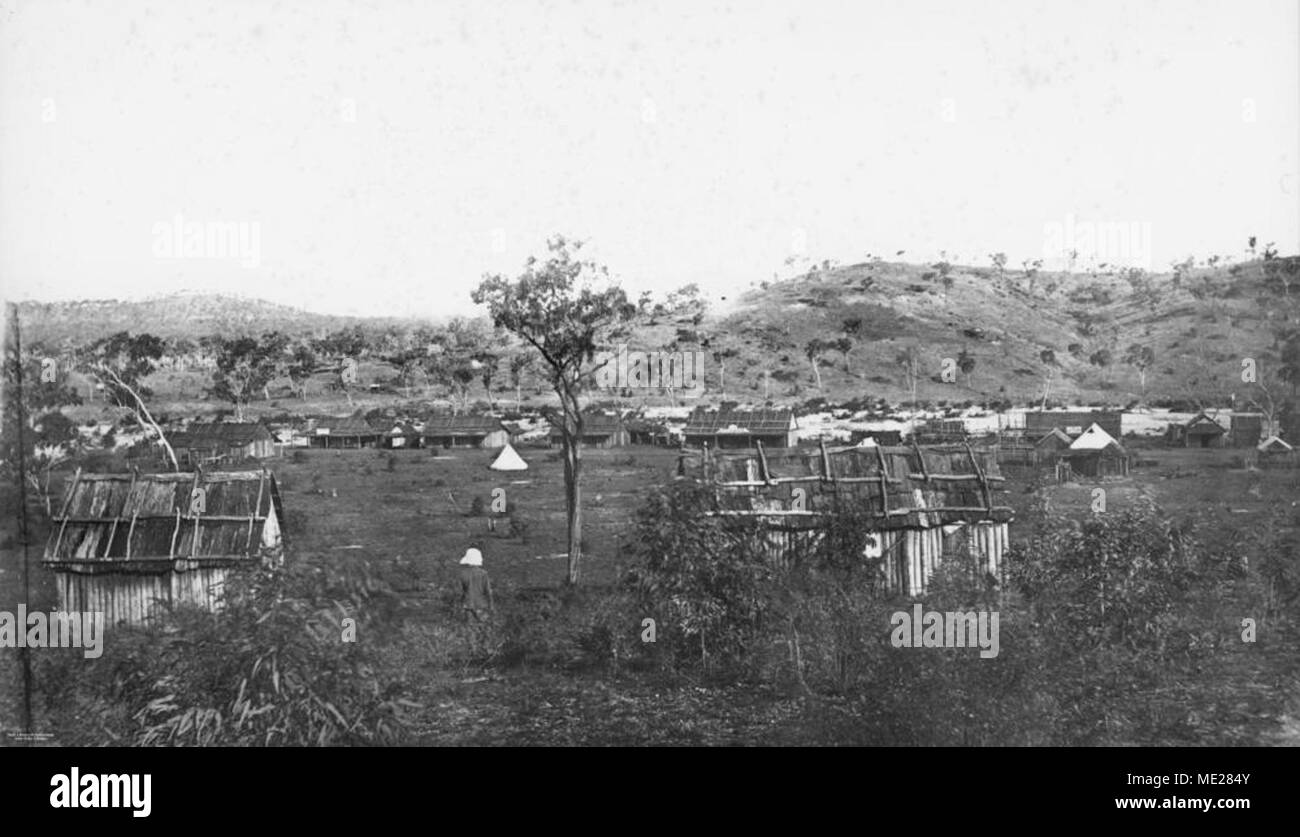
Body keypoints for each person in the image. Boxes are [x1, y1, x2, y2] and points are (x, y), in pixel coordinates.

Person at [458, 546, 494, 621]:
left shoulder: (463, 574)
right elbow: (488, 591)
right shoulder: (484, 574)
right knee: (482, 628)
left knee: (469, 629)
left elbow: (461, 592)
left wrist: (460, 605)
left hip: (468, 604)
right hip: (481, 605)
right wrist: (491, 606)